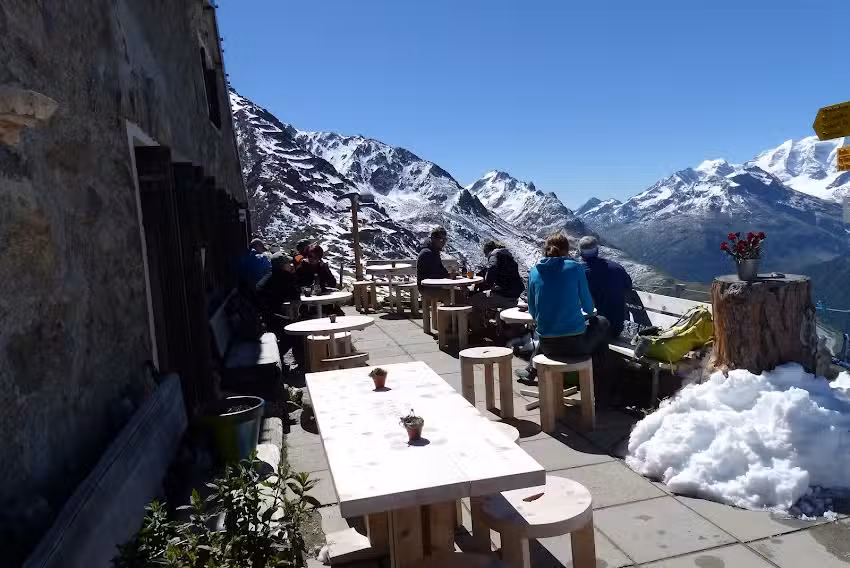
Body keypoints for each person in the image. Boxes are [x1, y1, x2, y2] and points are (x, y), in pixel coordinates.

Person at [515, 233, 610, 381]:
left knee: (553, 327)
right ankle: (602, 385)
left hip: (546, 345)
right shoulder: (575, 268)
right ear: (567, 250)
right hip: (575, 346)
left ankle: (531, 371)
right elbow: (589, 309)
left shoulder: (534, 272)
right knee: (602, 322)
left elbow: (533, 313)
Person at [578, 236, 633, 339]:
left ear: (580, 253)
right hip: (615, 329)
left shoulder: (579, 272)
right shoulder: (617, 268)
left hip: (591, 331)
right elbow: (628, 285)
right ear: (597, 251)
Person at [468, 241, 524, 334]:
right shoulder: (506, 255)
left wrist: (487, 283)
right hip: (513, 295)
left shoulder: (494, 254)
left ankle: (477, 333)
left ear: (487, 251)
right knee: (486, 296)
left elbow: (492, 269)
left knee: (473, 301)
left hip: (504, 295)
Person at [417, 226, 452, 304]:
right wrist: (448, 277)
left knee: (456, 291)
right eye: (441, 239)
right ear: (433, 239)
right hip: (426, 288)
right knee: (453, 294)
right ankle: (448, 315)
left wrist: (449, 275)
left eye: (445, 240)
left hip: (433, 285)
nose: (443, 242)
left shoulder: (434, 251)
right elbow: (434, 274)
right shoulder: (428, 253)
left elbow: (440, 268)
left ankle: (452, 314)